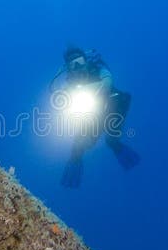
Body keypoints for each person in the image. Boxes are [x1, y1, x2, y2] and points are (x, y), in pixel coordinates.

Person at [50, 46, 140, 188]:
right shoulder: (69, 84)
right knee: (78, 147)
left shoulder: (99, 69)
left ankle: (115, 144)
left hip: (110, 109)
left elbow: (107, 81)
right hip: (90, 116)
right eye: (73, 64)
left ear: (86, 61)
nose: (78, 66)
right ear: (68, 68)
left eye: (79, 61)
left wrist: (92, 91)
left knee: (112, 138)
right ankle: (75, 166)